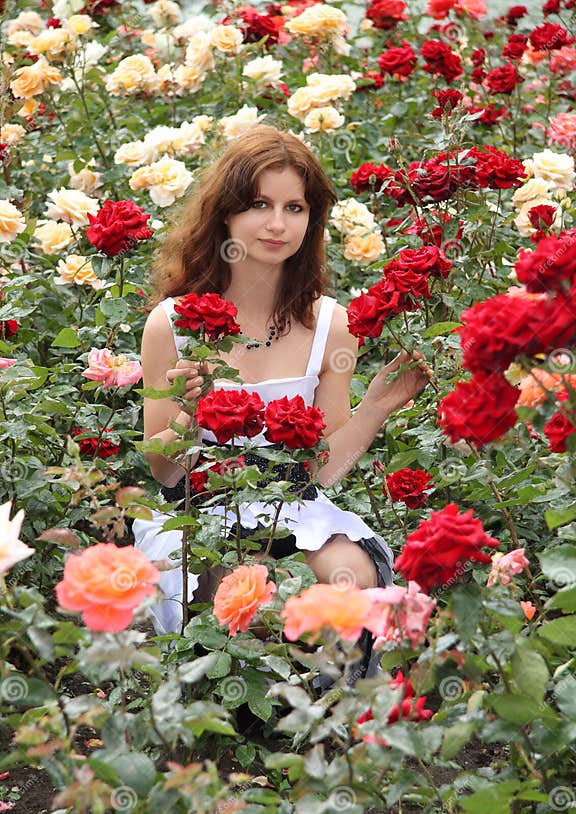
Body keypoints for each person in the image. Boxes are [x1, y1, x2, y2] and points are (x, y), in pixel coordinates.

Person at [132, 125, 430, 646]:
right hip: (197, 515)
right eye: (258, 204)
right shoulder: (173, 324)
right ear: (225, 212)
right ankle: (247, 713)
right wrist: (189, 409)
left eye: (295, 207)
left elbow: (322, 468)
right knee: (250, 594)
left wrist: (376, 406)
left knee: (351, 575)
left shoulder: (329, 327)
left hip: (292, 504)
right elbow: (162, 468)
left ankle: (328, 713)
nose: (277, 224)